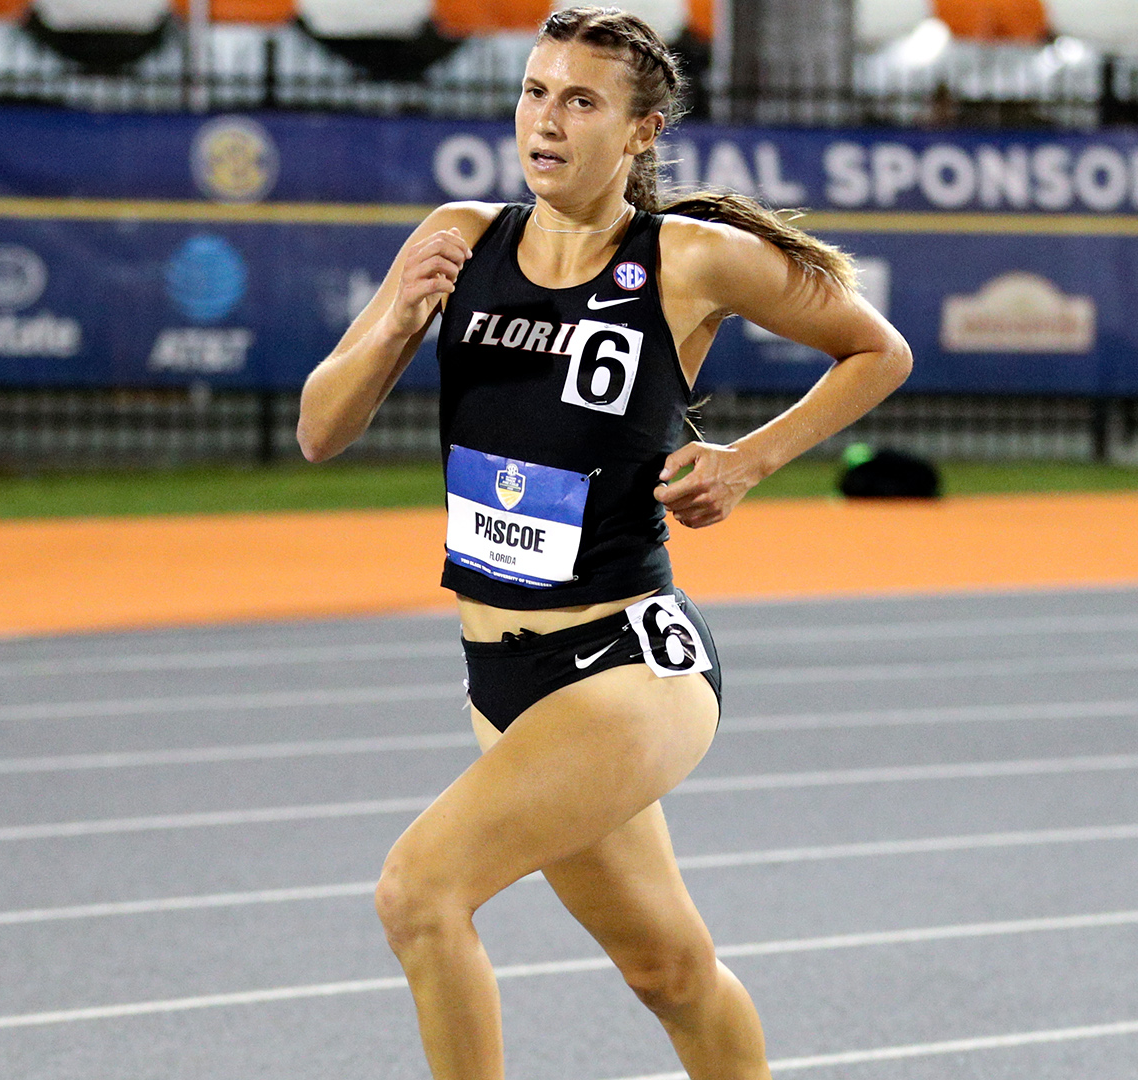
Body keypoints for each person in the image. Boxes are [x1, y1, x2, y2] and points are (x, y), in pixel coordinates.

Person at [298, 8, 912, 1078]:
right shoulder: (460, 238)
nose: (546, 120)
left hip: (625, 664)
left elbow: (878, 349)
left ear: (641, 131)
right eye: (535, 92)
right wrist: (398, 321)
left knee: (418, 893)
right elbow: (319, 430)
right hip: (503, 675)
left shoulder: (687, 258)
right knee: (668, 971)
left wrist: (748, 460)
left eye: (581, 101)